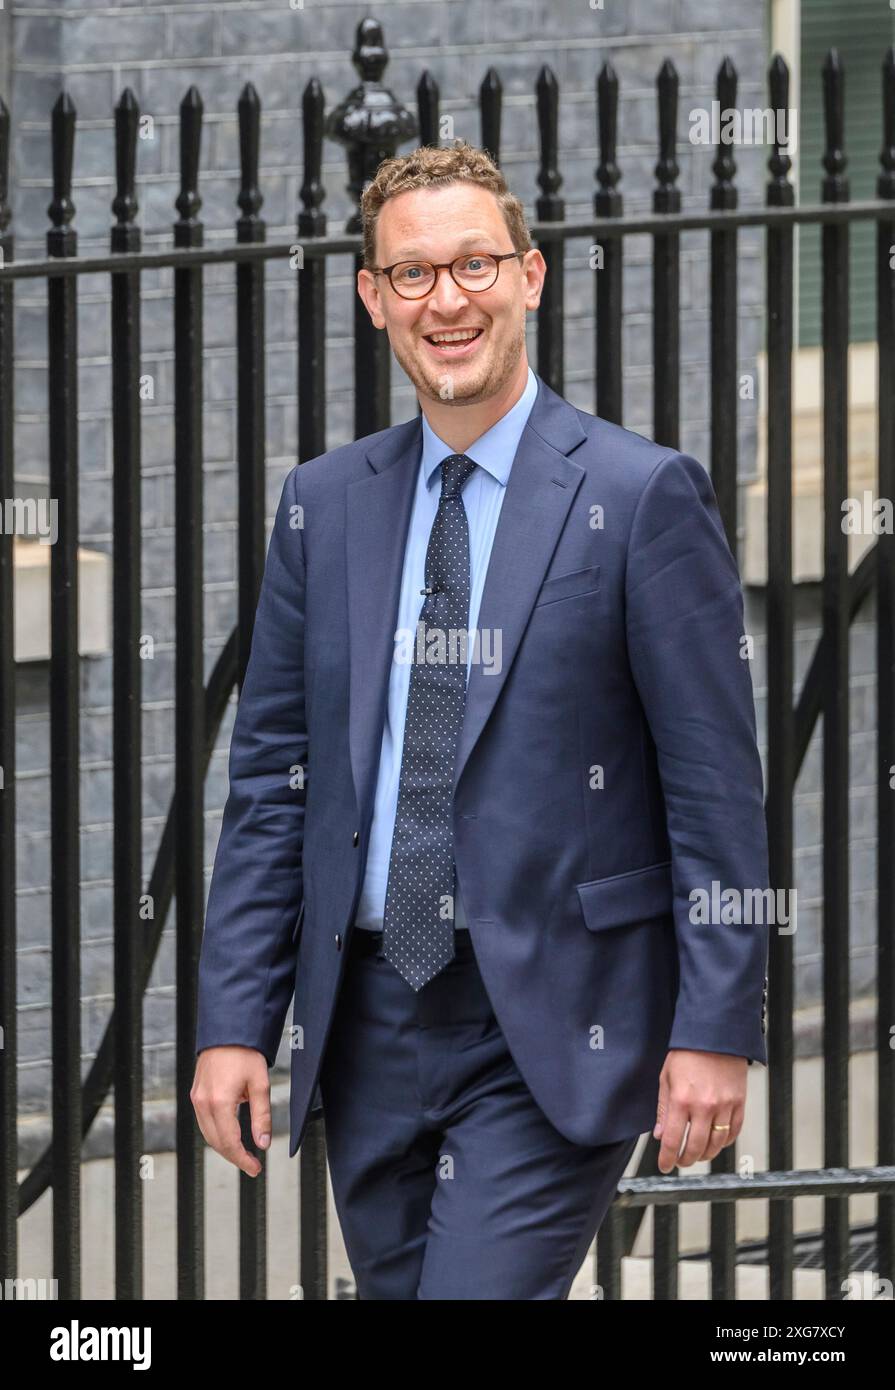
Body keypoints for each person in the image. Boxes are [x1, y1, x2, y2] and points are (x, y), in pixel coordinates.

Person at [192, 140, 770, 1300]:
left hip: (552, 1020)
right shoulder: (323, 506)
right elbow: (271, 786)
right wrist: (232, 1020)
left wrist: (716, 1025)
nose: (445, 300)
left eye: (473, 265)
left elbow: (713, 785)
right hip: (363, 1023)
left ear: (529, 277)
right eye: (411, 274)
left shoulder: (638, 496)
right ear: (373, 297)